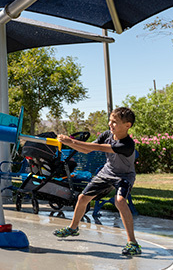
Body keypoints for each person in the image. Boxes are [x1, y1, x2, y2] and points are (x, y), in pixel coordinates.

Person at [53, 106, 141, 257]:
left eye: (115, 122)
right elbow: (87, 150)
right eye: (110, 120)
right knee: (82, 198)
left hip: (124, 176)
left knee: (120, 201)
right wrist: (69, 143)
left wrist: (70, 141)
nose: (110, 124)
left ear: (128, 125)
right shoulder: (107, 134)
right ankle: (73, 228)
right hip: (107, 172)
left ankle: (133, 243)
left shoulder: (127, 144)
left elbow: (97, 147)